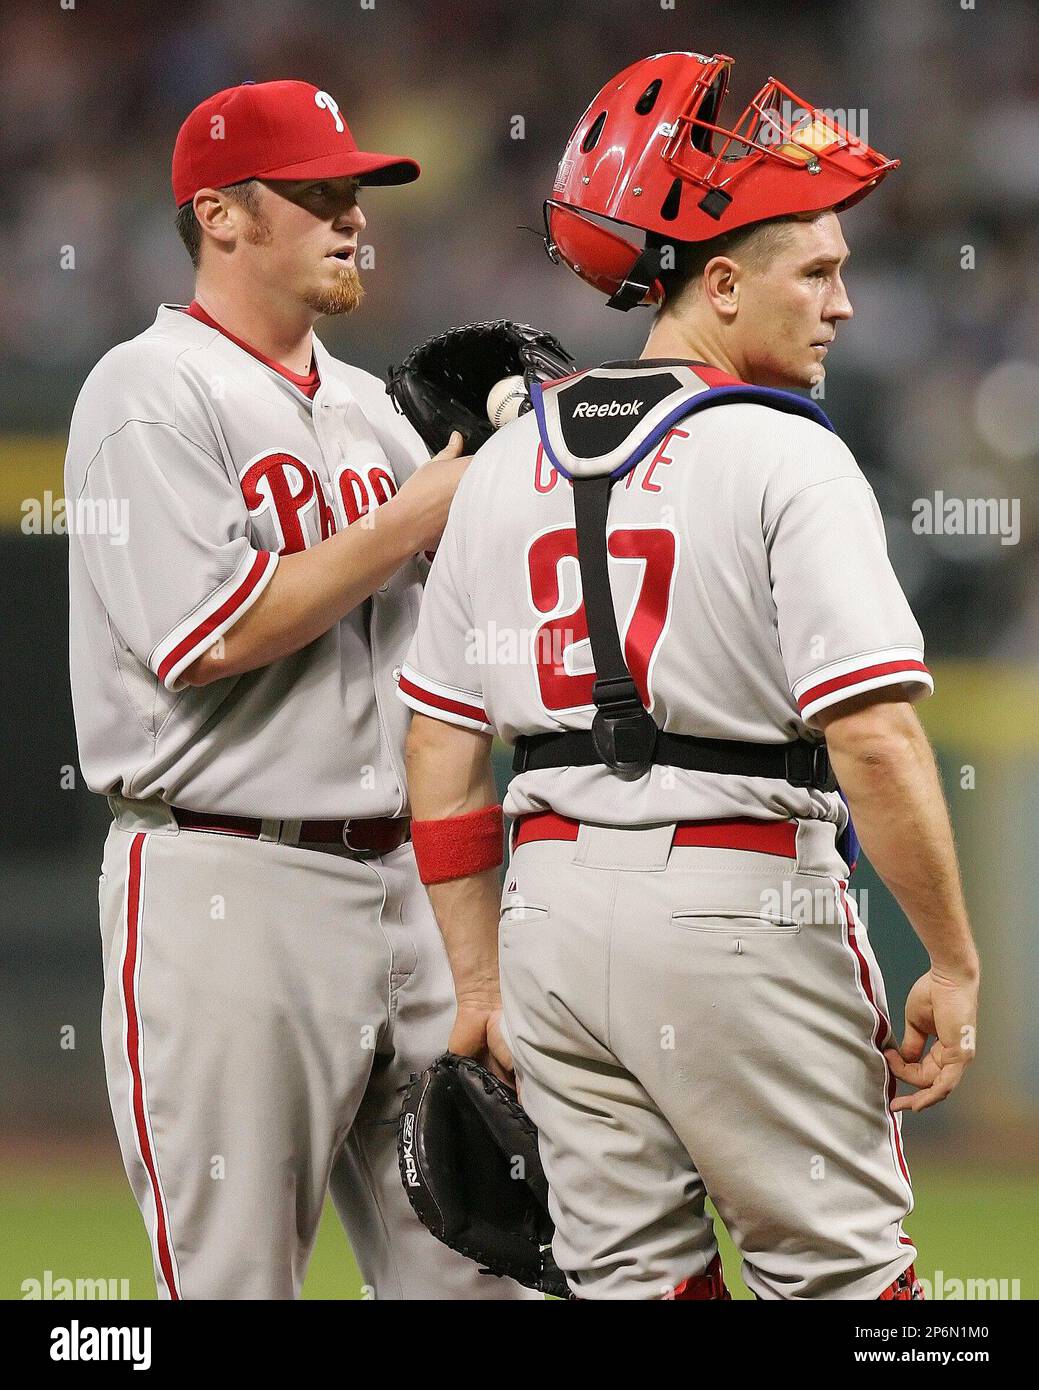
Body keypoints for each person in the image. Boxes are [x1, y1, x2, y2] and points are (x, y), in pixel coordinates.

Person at [398, 52, 979, 1300]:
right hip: (742, 903)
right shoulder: (788, 454)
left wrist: (483, 981)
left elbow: (440, 749)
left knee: (635, 1287)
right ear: (719, 284)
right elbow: (874, 740)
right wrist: (952, 958)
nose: (843, 304)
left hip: (548, 919)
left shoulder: (501, 467)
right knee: (849, 1285)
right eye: (815, 271)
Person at [65, 78, 534, 1301]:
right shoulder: (145, 389)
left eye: (356, 194)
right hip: (233, 880)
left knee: (483, 1270)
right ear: (218, 214)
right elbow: (205, 637)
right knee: (235, 1281)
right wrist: (418, 512)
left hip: (412, 881)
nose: (351, 218)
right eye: (317, 194)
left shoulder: (378, 410)